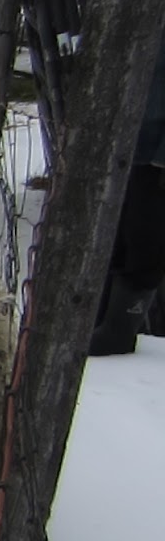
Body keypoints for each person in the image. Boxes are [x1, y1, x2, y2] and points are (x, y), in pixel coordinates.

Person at [90, 31, 165, 356]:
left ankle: (121, 330)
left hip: (155, 155)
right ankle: (103, 317)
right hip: (131, 145)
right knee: (120, 234)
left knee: (145, 239)